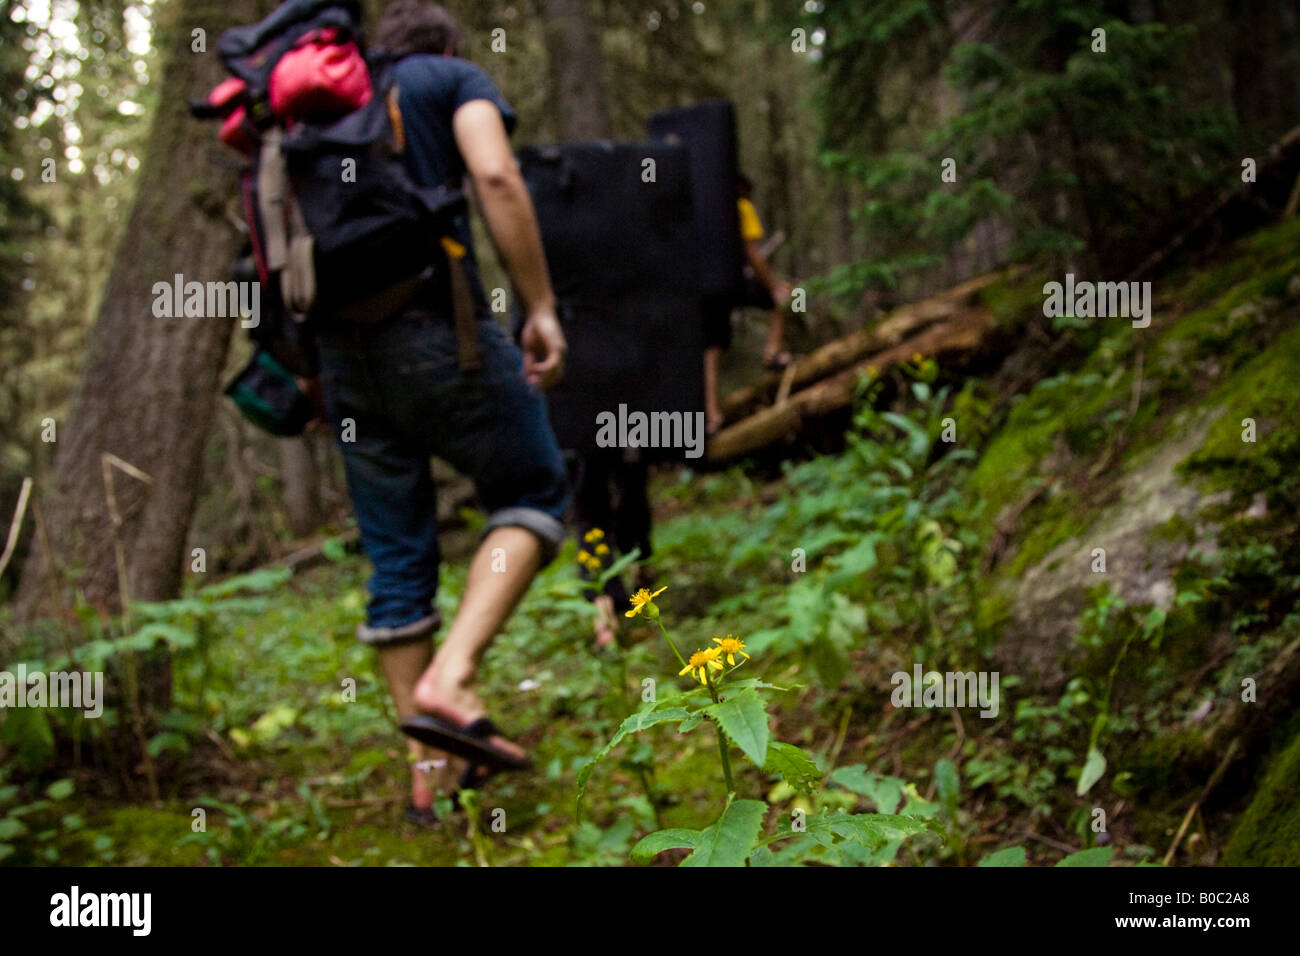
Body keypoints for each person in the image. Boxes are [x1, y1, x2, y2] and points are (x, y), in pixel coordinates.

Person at [312, 1, 569, 823]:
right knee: (535, 489)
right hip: (438, 329)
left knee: (396, 557)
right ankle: (451, 675)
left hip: (341, 355)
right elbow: (496, 174)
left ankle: (430, 781)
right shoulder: (452, 78)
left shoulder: (329, 105)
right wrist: (540, 306)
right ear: (447, 45)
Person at [703, 173, 794, 434]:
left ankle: (713, 414)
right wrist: (775, 286)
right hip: (734, 283)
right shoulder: (742, 208)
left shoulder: (704, 209)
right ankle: (773, 351)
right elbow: (751, 251)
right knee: (796, 295)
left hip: (709, 286)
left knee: (712, 346)